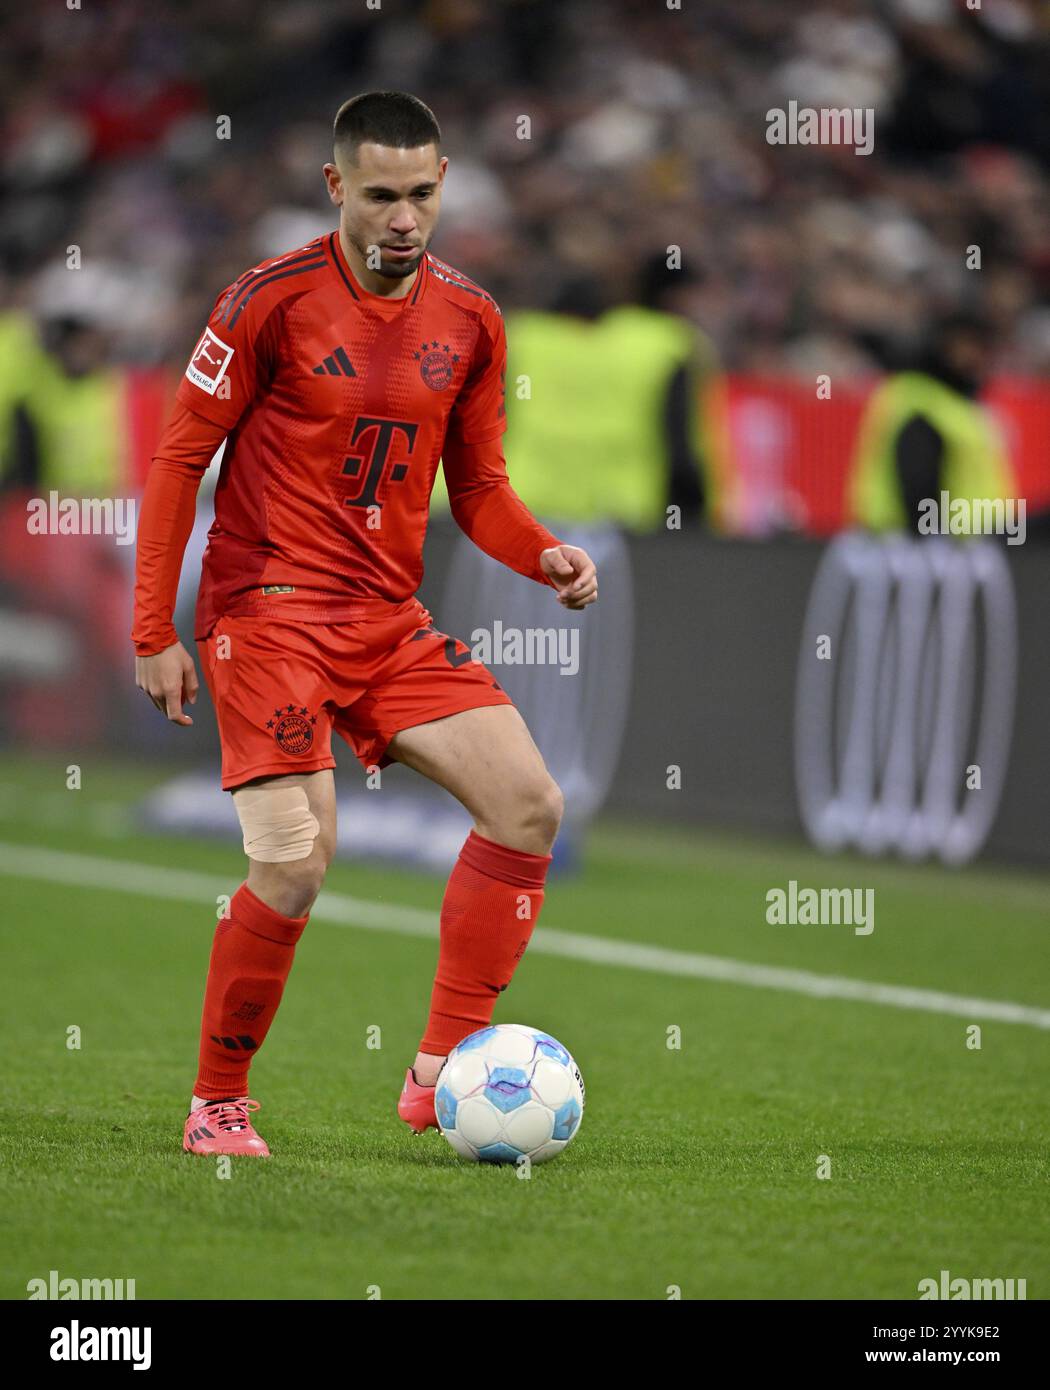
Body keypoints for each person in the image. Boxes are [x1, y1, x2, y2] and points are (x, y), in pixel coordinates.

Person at [131, 91, 598, 1157]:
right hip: (269, 612)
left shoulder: (471, 319)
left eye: (423, 195)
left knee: (528, 805)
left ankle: (441, 1070)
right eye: (381, 194)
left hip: (386, 618)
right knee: (295, 859)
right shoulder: (265, 301)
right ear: (336, 187)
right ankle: (218, 1100)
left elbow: (478, 486)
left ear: (445, 188)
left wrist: (544, 554)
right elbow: (175, 461)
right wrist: (153, 628)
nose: (404, 217)